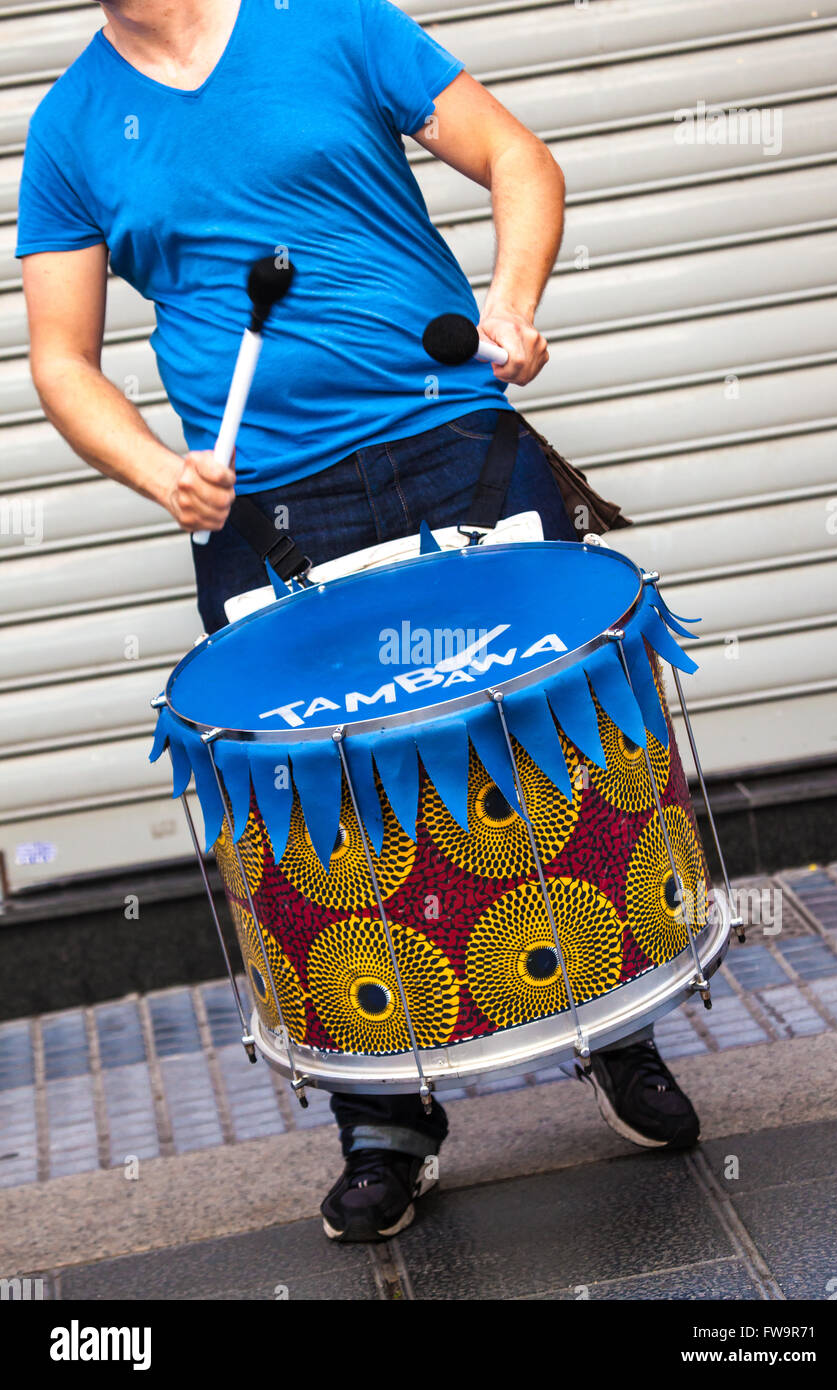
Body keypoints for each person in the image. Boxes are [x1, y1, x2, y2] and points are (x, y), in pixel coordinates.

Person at [17, 0, 699, 1244]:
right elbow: (61, 359)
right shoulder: (71, 129)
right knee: (326, 820)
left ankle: (617, 1029)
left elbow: (516, 157)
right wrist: (158, 473)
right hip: (267, 507)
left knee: (541, 757)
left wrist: (511, 301)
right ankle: (382, 1123)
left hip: (452, 443)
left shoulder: (328, 19)